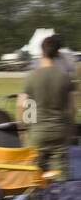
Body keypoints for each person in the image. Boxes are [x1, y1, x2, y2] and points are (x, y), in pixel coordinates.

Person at [20, 35, 75, 175]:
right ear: (58, 53)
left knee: (34, 175)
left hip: (37, 132)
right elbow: (71, 109)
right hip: (59, 131)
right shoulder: (64, 78)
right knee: (60, 175)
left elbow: (22, 105)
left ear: (41, 51)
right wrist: (69, 130)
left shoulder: (31, 76)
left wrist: (24, 129)